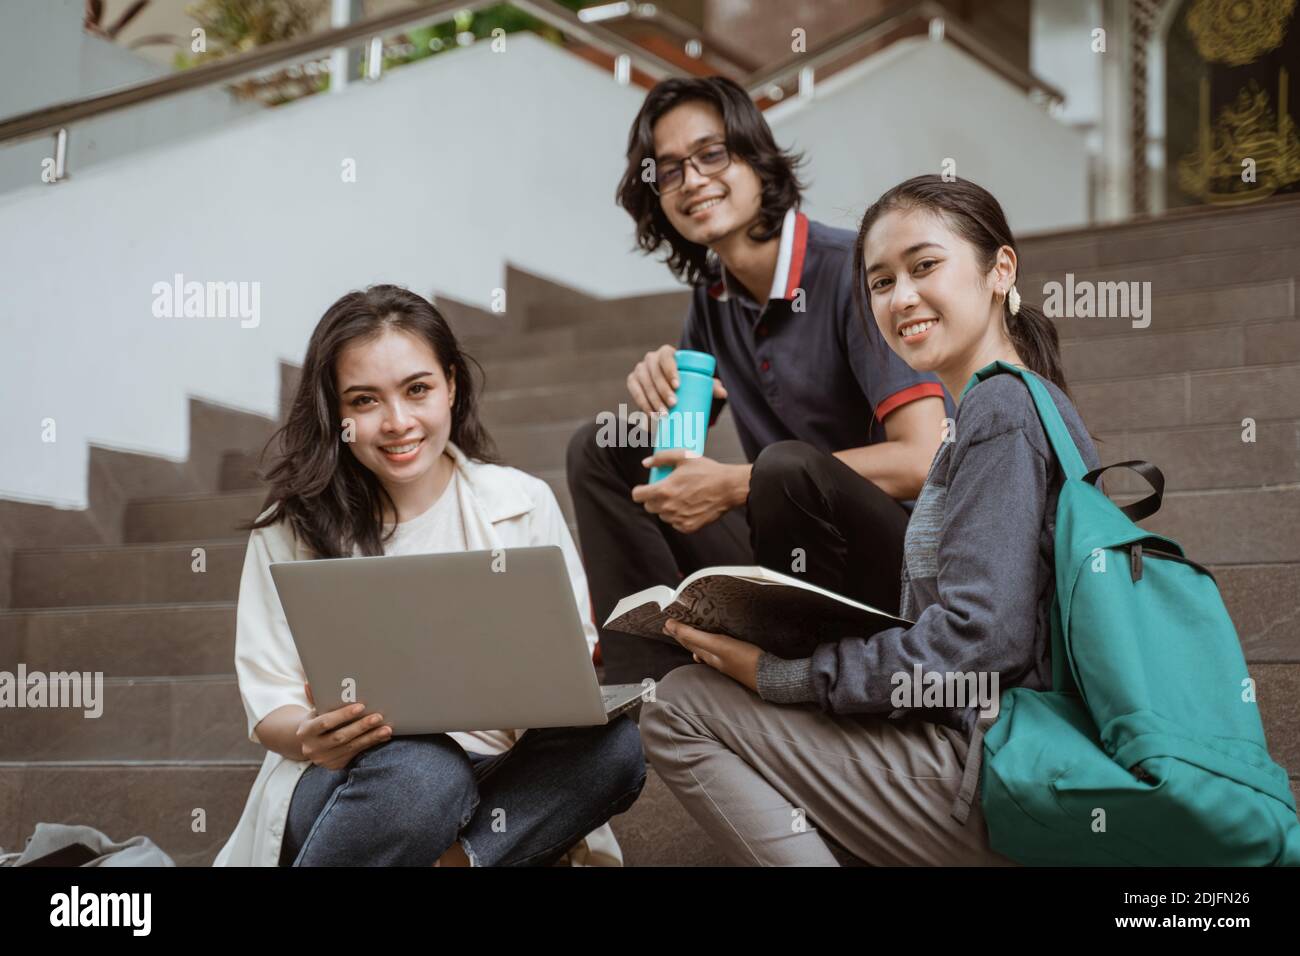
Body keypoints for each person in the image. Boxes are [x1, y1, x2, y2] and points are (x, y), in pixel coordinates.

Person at [639, 175, 1103, 866]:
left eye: (924, 267)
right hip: (973, 751)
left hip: (990, 775)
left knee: (676, 708)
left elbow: (978, 642)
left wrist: (782, 676)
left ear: (1000, 269)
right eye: (881, 282)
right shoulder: (998, 410)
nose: (901, 298)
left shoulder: (1002, 414)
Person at [213, 285, 645, 867]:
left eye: (417, 390)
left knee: (615, 748)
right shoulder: (289, 529)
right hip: (361, 784)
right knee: (425, 771)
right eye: (364, 401)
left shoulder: (522, 500)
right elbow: (271, 703)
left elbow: (573, 652)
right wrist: (309, 736)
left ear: (452, 386)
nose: (397, 423)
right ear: (335, 413)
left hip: (502, 781)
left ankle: (456, 862)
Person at [567, 76, 951, 685]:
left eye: (711, 154)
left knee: (782, 467)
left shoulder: (851, 271)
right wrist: (661, 389)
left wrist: (738, 483)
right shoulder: (713, 299)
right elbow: (679, 456)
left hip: (895, 568)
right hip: (782, 552)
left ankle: (800, 671)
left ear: (756, 156)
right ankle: (646, 687)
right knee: (604, 445)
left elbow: (926, 457)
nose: (691, 180)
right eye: (668, 170)